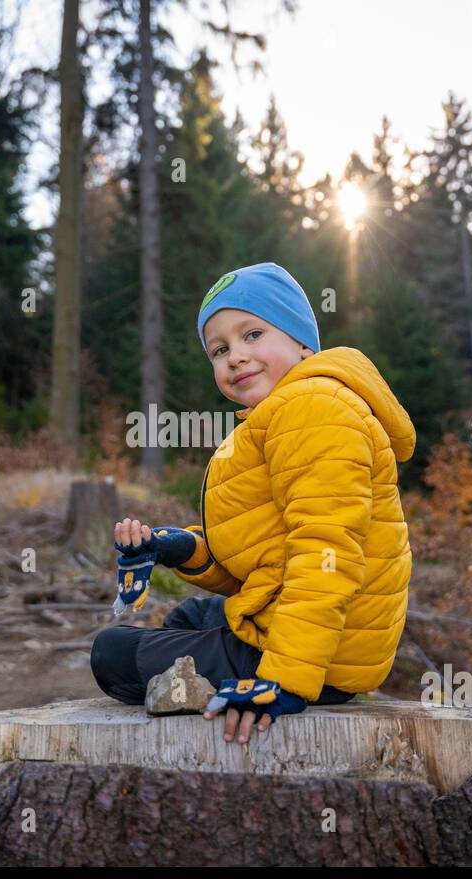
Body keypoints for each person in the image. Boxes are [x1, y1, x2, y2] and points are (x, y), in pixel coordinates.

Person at [91, 261, 416, 745]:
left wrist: (287, 679)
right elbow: (262, 557)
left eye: (253, 333)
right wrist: (179, 547)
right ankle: (209, 660)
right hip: (304, 630)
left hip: (317, 655)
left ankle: (244, 674)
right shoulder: (285, 415)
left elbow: (327, 554)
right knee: (191, 617)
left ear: (303, 343)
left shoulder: (314, 409)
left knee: (111, 654)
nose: (235, 357)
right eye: (219, 349)